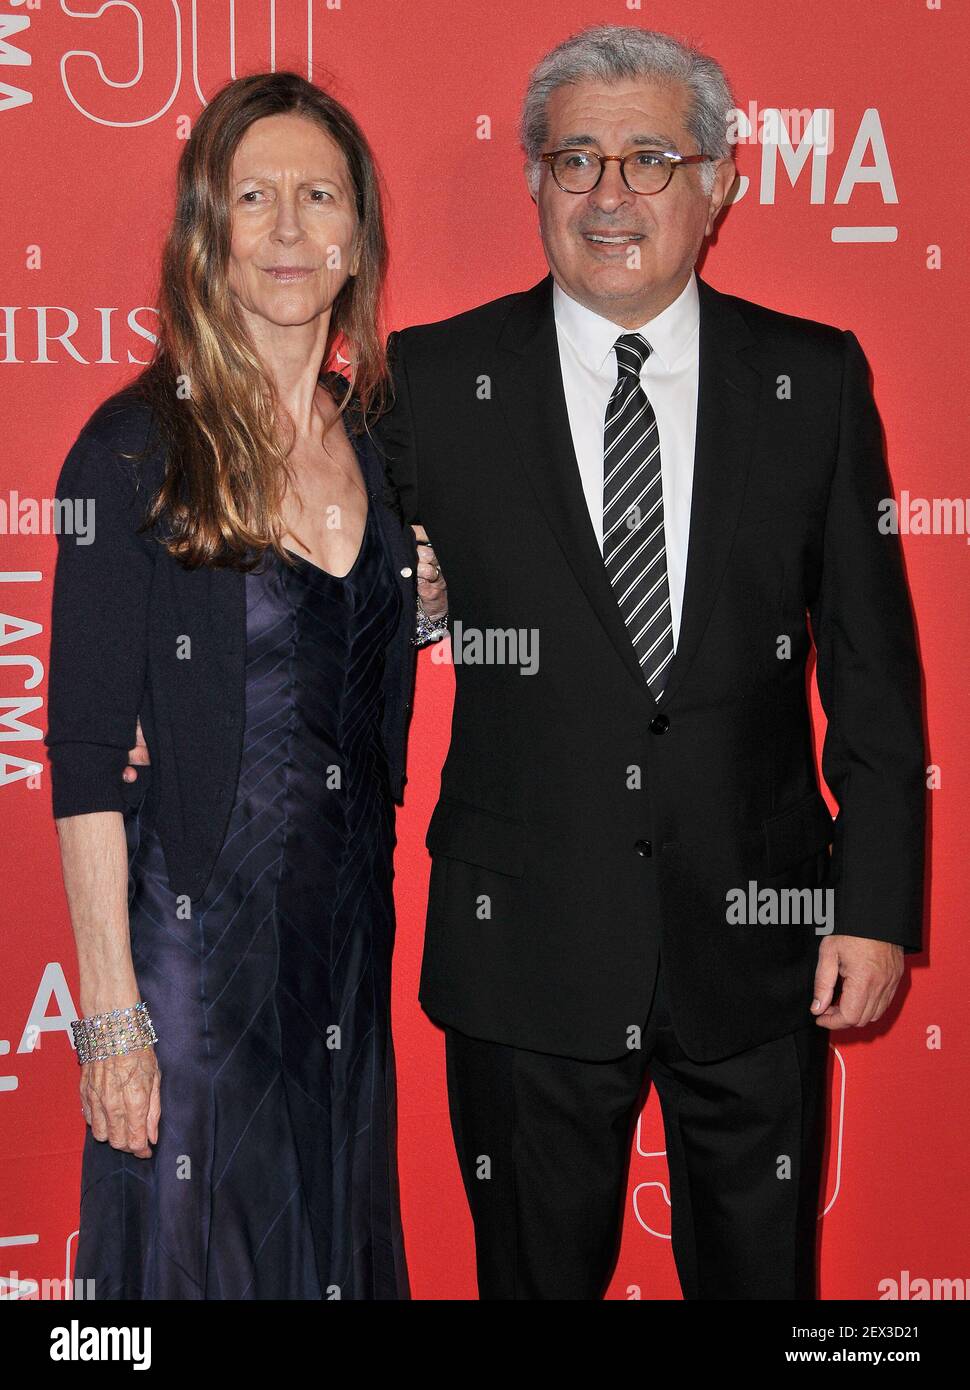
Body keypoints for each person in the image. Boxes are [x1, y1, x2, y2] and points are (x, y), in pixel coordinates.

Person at [378, 25, 926, 1300]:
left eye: (649, 159)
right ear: (530, 178)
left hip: (762, 942)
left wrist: (874, 905)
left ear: (720, 180)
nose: (609, 197)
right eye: (574, 160)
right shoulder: (431, 379)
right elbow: (342, 602)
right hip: (523, 950)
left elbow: (871, 667)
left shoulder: (812, 378)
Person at [44, 71, 447, 1301]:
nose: (285, 231)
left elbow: (347, 656)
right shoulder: (131, 450)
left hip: (344, 945)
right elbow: (82, 748)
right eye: (251, 198)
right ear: (202, 234)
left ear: (357, 234)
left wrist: (417, 606)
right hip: (196, 955)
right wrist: (112, 1015)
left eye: (317, 196)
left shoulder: (374, 443)